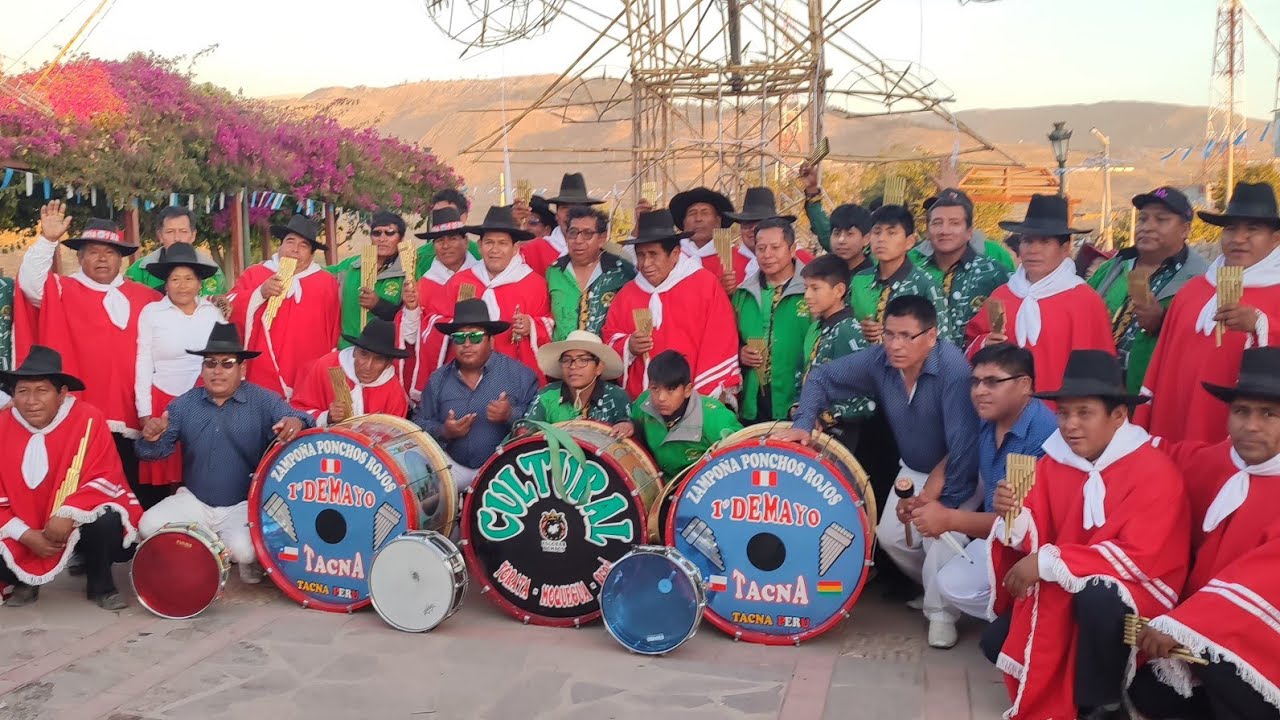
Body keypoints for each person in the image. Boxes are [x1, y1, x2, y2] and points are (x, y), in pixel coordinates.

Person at [983, 350, 1190, 720]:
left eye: (1084, 413)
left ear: (1118, 415)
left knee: (1098, 597)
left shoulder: (1154, 470)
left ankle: (1104, 700)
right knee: (994, 643)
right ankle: (1072, 684)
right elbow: (1035, 529)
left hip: (1137, 584)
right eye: (1063, 413)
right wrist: (1013, 516)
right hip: (1067, 580)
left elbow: (1141, 554)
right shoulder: (1056, 461)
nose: (1070, 425)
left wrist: (1048, 562)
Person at [779, 295, 981, 592]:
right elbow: (821, 377)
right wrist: (803, 422)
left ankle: (941, 611)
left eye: (907, 336)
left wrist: (942, 505)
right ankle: (936, 590)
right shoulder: (880, 360)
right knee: (890, 538)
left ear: (931, 336)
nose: (896, 345)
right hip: (913, 467)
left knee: (939, 537)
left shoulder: (953, 371)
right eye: (889, 334)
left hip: (960, 468)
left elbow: (965, 445)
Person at [1129, 347, 1280, 720]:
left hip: (1262, 641)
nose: (1251, 425)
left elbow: (1267, 580)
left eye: (1269, 414)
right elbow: (1140, 456)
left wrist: (1187, 626)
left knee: (1225, 675)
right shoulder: (1211, 461)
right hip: (1198, 632)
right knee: (1146, 690)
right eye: (1241, 411)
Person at [135, 324, 312, 584]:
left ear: (242, 369)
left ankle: (205, 547)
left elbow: (303, 419)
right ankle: (211, 552)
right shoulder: (184, 405)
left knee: (245, 550)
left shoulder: (263, 400)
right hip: (195, 501)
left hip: (241, 504)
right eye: (210, 363)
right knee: (148, 524)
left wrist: (296, 422)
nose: (217, 371)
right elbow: (152, 453)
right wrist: (150, 439)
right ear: (202, 369)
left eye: (227, 363)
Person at [910, 344, 1056, 649]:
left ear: (1025, 385)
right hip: (997, 534)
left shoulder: (1044, 436)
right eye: (975, 382)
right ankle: (962, 614)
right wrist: (929, 492)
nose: (979, 391)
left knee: (951, 561)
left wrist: (949, 519)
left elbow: (1020, 528)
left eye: (992, 382)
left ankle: (1029, 618)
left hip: (1032, 551)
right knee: (942, 554)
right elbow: (958, 453)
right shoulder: (988, 416)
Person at [15, 202, 162, 505]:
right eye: (93, 252)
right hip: (80, 414)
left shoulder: (147, 298)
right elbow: (30, 284)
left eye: (109, 252)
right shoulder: (61, 290)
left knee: (138, 494)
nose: (102, 258)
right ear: (80, 257)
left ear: (121, 258)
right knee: (83, 494)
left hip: (136, 416)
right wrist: (47, 240)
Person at [1137, 181, 1280, 444]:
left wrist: (1261, 325)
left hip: (1245, 439)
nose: (1239, 238)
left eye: (1253, 229)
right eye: (1231, 228)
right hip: (1176, 427)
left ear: (1275, 238)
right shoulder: (1192, 291)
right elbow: (1160, 367)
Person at [0, 347, 142, 610]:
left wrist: (68, 513)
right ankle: (23, 579)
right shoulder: (2, 424)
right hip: (20, 521)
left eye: (41, 390)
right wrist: (25, 534)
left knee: (107, 518)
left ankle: (100, 583)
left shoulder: (88, 418)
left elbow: (105, 475)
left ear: (62, 393)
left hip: (72, 519)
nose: (31, 401)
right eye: (22, 391)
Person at [964, 194, 1116, 393]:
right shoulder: (1003, 295)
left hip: (1061, 409)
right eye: (1027, 241)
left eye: (1045, 242)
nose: (1033, 250)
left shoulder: (1085, 302)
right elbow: (972, 342)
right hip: (1006, 408)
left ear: (1065, 248)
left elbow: (1100, 371)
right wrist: (984, 343)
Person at [602, 208, 741, 400]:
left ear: (675, 253)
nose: (646, 263)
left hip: (694, 397)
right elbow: (610, 337)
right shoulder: (628, 294)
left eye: (653, 254)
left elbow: (721, 341)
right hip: (643, 401)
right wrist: (629, 346)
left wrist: (701, 397)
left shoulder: (704, 285)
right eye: (641, 255)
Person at [1088, 186, 1208, 395]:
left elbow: (1205, 343)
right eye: (1143, 219)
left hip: (1155, 394)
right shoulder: (1114, 267)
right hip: (1097, 388)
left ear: (1185, 230)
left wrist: (1163, 323)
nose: (1147, 227)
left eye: (1161, 220)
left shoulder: (1200, 278)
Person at [413, 299, 539, 492]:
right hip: (452, 468)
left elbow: (538, 424)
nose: (467, 344)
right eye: (459, 338)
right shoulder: (437, 380)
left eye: (475, 337)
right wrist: (445, 431)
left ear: (491, 341)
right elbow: (418, 424)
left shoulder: (520, 375)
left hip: (505, 471)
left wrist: (510, 414)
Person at [133, 244, 224, 508]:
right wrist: (144, 410)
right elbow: (143, 361)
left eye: (188, 279)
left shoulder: (212, 313)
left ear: (199, 283)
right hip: (165, 399)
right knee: (170, 478)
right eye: (175, 279)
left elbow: (227, 357)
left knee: (203, 471)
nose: (182, 286)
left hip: (206, 401)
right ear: (166, 283)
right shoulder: (151, 313)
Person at [432, 206, 554, 379]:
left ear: (515, 248)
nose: (495, 250)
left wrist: (531, 326)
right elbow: (439, 323)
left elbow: (550, 325)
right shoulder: (460, 282)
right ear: (479, 246)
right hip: (467, 377)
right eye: (489, 242)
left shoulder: (534, 284)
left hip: (517, 377)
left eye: (502, 243)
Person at [225, 215, 340, 400]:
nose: (295, 250)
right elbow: (228, 307)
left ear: (311, 254)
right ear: (280, 246)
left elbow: (333, 330)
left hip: (307, 369)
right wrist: (259, 294)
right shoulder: (256, 273)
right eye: (290, 241)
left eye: (303, 245)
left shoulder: (326, 283)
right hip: (261, 367)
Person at [733, 217, 810, 422]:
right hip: (753, 402)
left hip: (799, 402)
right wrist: (740, 352)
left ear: (792, 250)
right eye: (761, 248)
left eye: (775, 248)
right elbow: (728, 341)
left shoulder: (811, 290)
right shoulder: (743, 294)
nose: (767, 255)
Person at [909, 189, 1010, 346]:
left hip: (977, 359)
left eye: (954, 223)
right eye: (937, 223)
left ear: (969, 232)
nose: (944, 230)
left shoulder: (994, 273)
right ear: (928, 231)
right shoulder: (912, 273)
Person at [628, 350, 743, 480]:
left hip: (702, 486)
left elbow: (743, 453)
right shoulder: (644, 404)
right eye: (655, 388)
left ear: (687, 390)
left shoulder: (714, 417)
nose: (661, 398)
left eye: (670, 389)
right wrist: (627, 424)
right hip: (658, 485)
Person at [849, 204, 952, 347]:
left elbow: (943, 344)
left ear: (909, 242)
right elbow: (845, 326)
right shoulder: (860, 280)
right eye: (877, 232)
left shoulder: (925, 285)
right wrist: (859, 330)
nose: (881, 239)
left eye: (891, 233)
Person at [410, 206, 482, 399]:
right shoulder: (424, 284)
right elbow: (411, 335)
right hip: (440, 372)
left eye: (452, 238)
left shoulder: (482, 277)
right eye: (439, 240)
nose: (446, 245)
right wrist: (411, 309)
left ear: (465, 241)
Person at [291, 318, 410, 426]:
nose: (368, 366)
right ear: (354, 351)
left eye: (378, 359)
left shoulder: (395, 393)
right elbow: (297, 412)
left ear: (388, 363)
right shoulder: (327, 366)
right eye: (364, 354)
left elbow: (395, 437)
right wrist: (326, 417)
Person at [330, 210, 418, 350]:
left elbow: (412, 319)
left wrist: (378, 305)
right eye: (376, 233)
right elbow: (317, 274)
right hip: (348, 348)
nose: (382, 239)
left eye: (389, 233)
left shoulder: (409, 272)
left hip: (384, 352)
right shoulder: (351, 265)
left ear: (401, 238)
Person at [545, 207, 636, 341]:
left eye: (587, 233)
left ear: (602, 238)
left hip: (606, 353)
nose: (578, 240)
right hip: (563, 353)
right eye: (573, 233)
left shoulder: (622, 272)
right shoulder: (554, 272)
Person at [525, 330, 632, 430]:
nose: (573, 366)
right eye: (566, 360)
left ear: (599, 368)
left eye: (583, 360)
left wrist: (625, 426)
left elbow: (627, 432)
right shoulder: (547, 395)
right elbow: (526, 431)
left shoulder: (617, 396)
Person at [124, 206, 227, 295]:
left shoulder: (213, 272)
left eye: (183, 231)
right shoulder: (139, 270)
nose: (177, 238)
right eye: (170, 232)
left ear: (193, 235)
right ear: (160, 236)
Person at [725, 187, 813, 289]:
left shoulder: (802, 258)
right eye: (747, 225)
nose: (753, 230)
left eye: (759, 225)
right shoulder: (728, 261)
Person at [522, 173, 607, 275]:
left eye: (578, 208)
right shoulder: (533, 250)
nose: (571, 213)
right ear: (556, 215)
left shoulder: (603, 251)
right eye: (565, 208)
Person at [919, 194, 1017, 272]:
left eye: (954, 222)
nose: (945, 230)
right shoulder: (915, 258)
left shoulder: (995, 254)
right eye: (937, 221)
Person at [670, 186, 737, 292]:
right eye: (692, 213)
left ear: (718, 221)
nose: (698, 219)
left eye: (705, 213)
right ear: (683, 222)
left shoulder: (736, 257)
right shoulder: (671, 256)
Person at [415, 188, 480, 277]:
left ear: (463, 217)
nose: (442, 218)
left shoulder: (482, 256)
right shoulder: (420, 258)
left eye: (448, 213)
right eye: (437, 214)